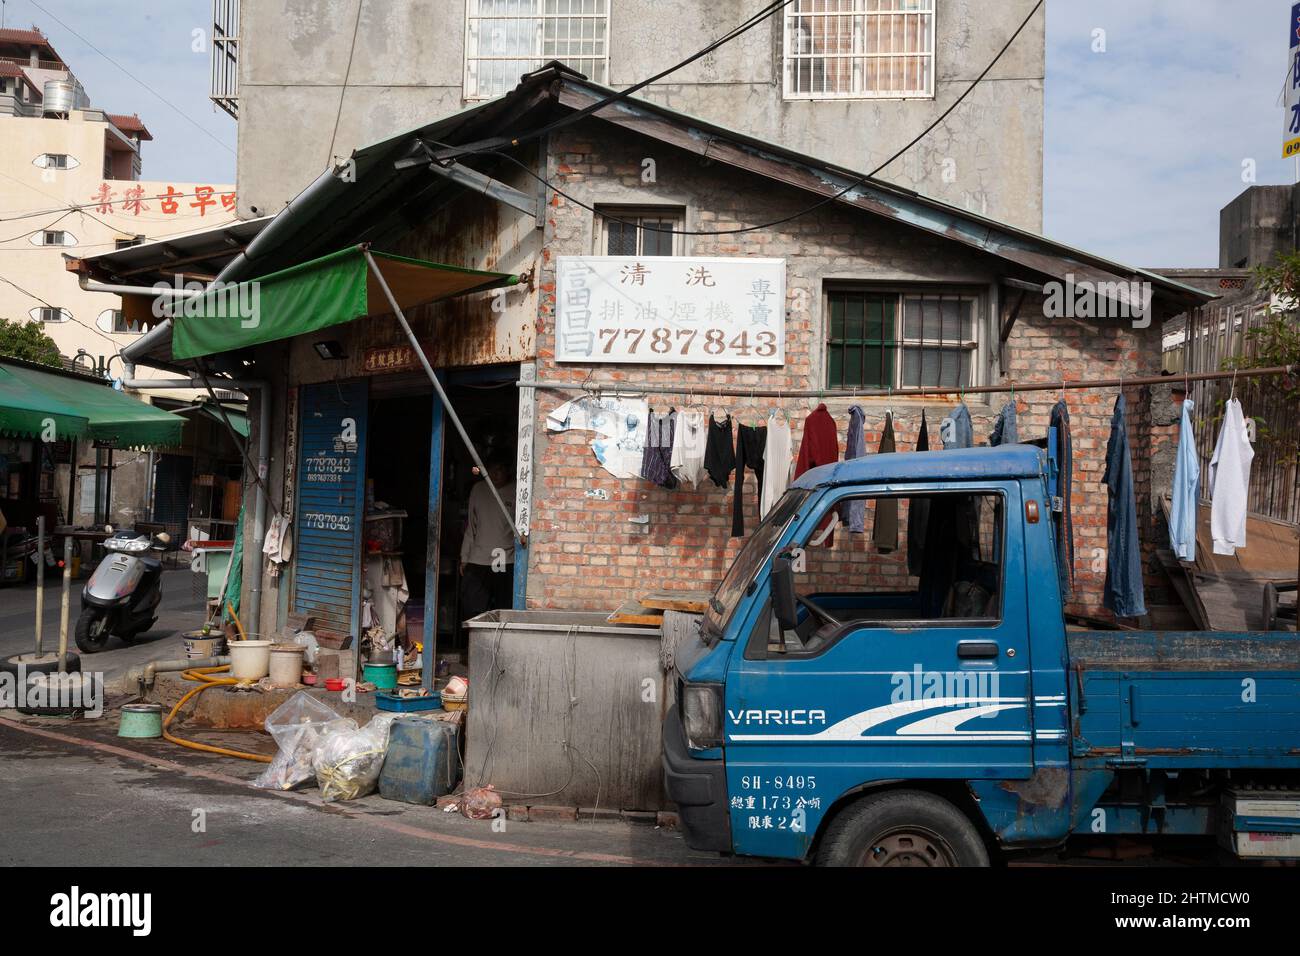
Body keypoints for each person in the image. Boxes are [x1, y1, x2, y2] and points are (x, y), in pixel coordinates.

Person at [459, 453, 516, 622]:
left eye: (501, 469)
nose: (496, 474)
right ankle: (474, 645)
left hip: (505, 559)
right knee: (473, 609)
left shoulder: (516, 490)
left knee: (503, 608)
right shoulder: (478, 489)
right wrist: (465, 556)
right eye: (493, 469)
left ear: (508, 471)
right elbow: (471, 526)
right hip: (478, 559)